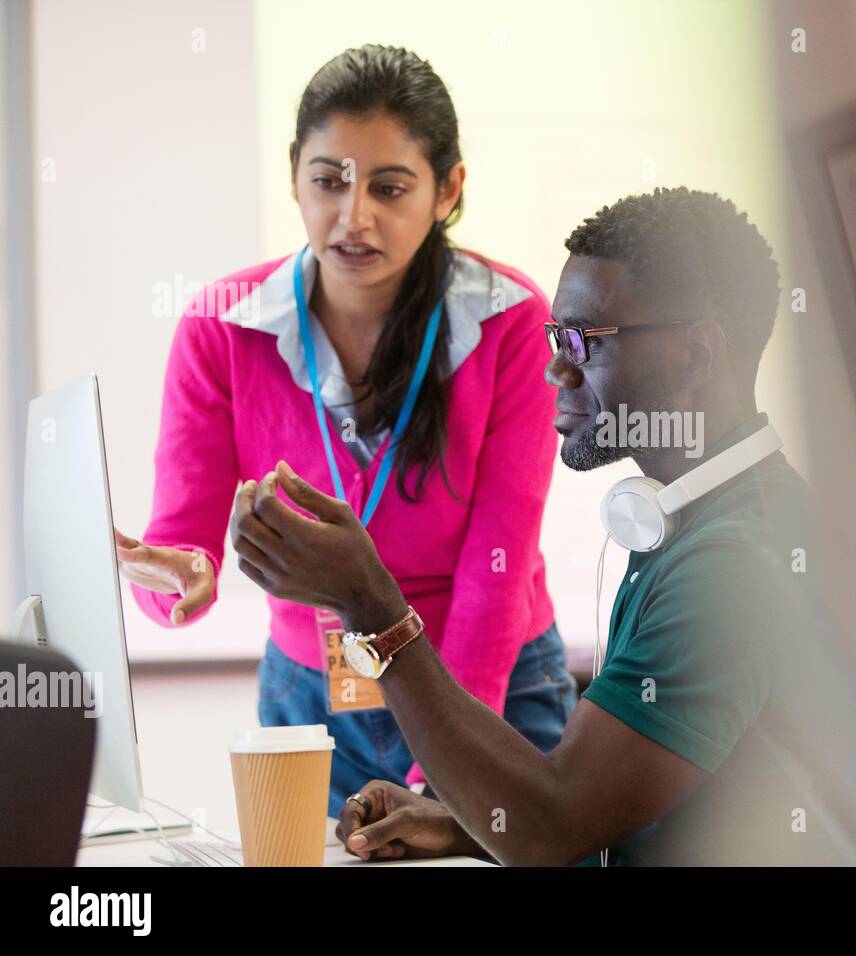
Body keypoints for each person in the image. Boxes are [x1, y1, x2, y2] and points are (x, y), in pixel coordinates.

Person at [229, 187, 856, 864]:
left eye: (584, 342)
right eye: (553, 339)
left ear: (697, 354)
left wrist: (370, 603)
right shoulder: (689, 519)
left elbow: (554, 822)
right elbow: (621, 801)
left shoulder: (733, 563)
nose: (556, 370)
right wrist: (462, 823)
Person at [115, 45, 575, 816]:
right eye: (328, 180)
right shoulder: (220, 327)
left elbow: (495, 573)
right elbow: (185, 534)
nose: (353, 217)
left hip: (484, 682)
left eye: (390, 188)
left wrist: (444, 776)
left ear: (447, 189)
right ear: (295, 171)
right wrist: (180, 582)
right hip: (311, 698)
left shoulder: (512, 323)